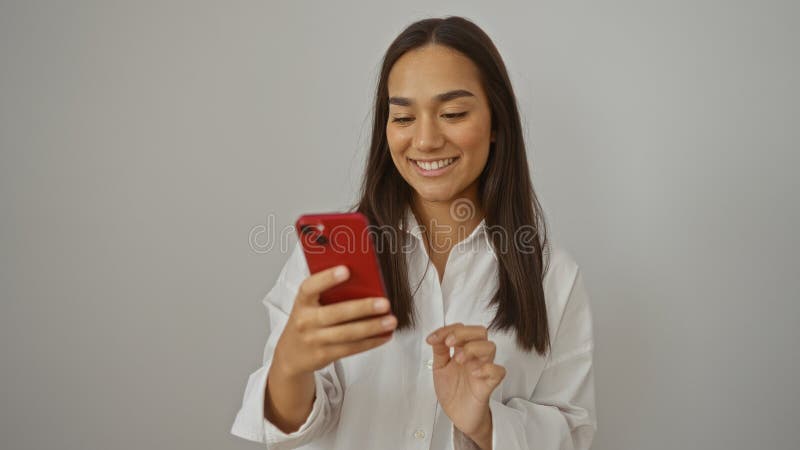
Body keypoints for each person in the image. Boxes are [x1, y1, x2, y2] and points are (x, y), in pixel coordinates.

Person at [231, 16, 597, 450]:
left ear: (497, 122)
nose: (424, 140)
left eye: (453, 113)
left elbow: (573, 435)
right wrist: (290, 366)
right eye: (403, 116)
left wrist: (483, 424)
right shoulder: (334, 256)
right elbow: (286, 428)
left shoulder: (553, 276)